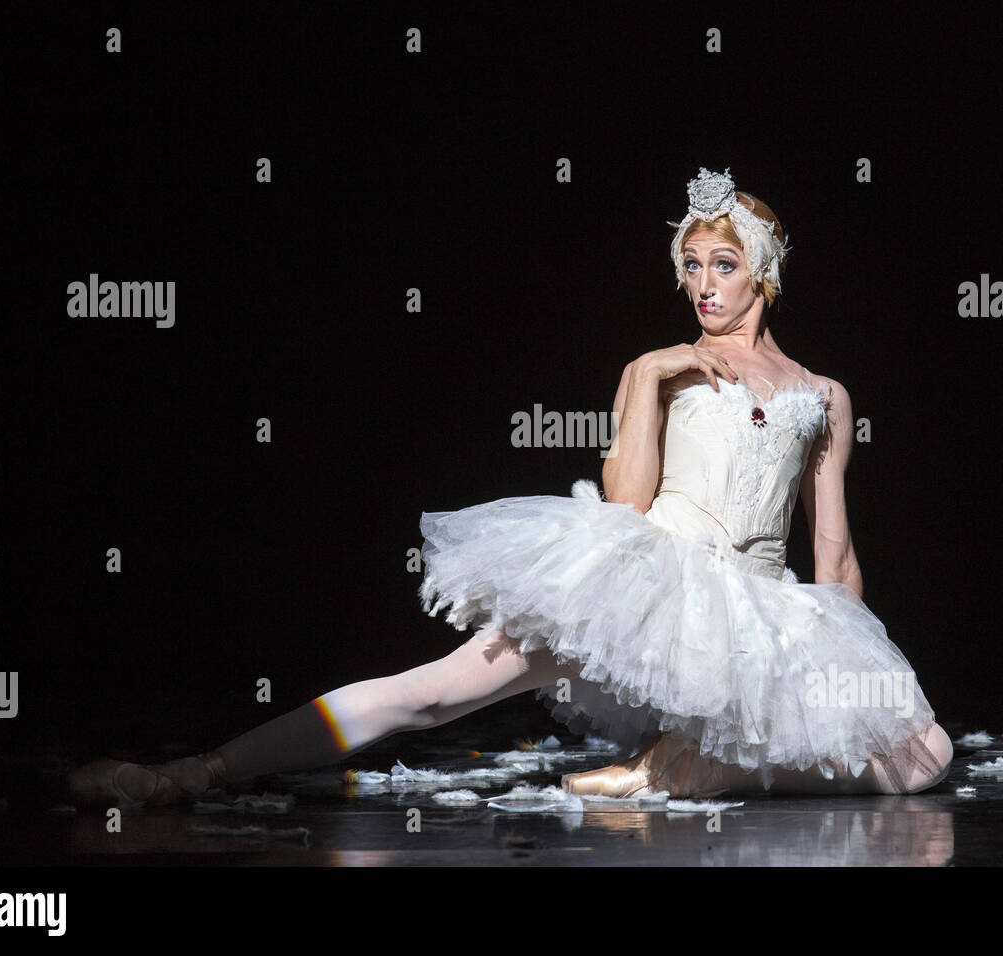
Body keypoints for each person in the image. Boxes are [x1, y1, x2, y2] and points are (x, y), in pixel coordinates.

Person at [67, 167, 952, 808]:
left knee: (922, 758)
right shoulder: (663, 366)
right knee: (438, 690)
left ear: (763, 269)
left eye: (721, 264)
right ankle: (199, 771)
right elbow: (625, 500)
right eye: (689, 265)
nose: (703, 285)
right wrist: (646, 376)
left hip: (767, 607)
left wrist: (846, 651)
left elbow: (833, 553)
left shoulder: (822, 395)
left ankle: (678, 766)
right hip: (658, 583)